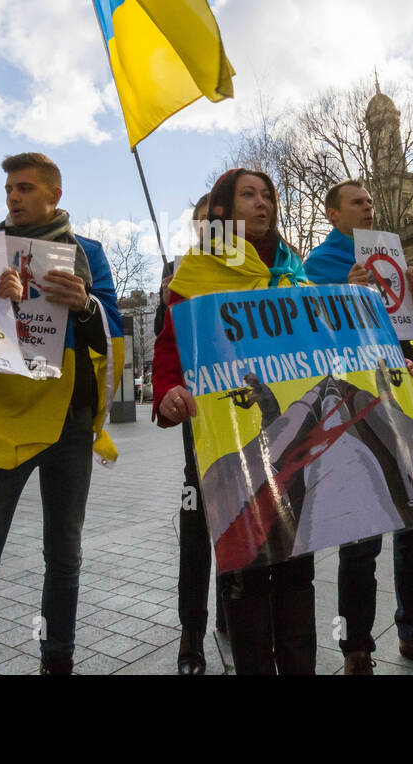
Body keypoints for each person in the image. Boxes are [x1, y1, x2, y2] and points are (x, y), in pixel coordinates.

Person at [0, 152, 121, 675]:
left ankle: (58, 662)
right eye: (9, 187)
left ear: (54, 196)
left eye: (26, 188)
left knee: (65, 558)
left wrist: (85, 305)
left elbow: (113, 331)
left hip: (70, 427)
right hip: (4, 422)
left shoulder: (89, 255)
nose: (13, 196)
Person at [303, 179, 413, 676]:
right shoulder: (317, 267)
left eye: (370, 203)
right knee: (362, 532)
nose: (368, 208)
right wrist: (346, 295)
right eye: (357, 203)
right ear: (333, 215)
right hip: (352, 405)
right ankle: (357, 648)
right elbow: (308, 332)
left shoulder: (390, 257)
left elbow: (410, 337)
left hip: (400, 397)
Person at [152, 168, 316, 675]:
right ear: (222, 210)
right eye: (249, 194)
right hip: (230, 448)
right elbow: (168, 351)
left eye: (269, 194)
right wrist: (167, 392)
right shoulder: (197, 272)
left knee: (296, 568)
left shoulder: (296, 273)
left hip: (294, 443)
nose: (263, 202)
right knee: (246, 571)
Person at [153, 194, 225, 675]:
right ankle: (191, 634)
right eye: (202, 223)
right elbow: (167, 354)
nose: (210, 229)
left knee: (247, 527)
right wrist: (167, 393)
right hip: (201, 425)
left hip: (253, 421)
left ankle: (235, 618)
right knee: (197, 529)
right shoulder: (181, 279)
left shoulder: (262, 272)